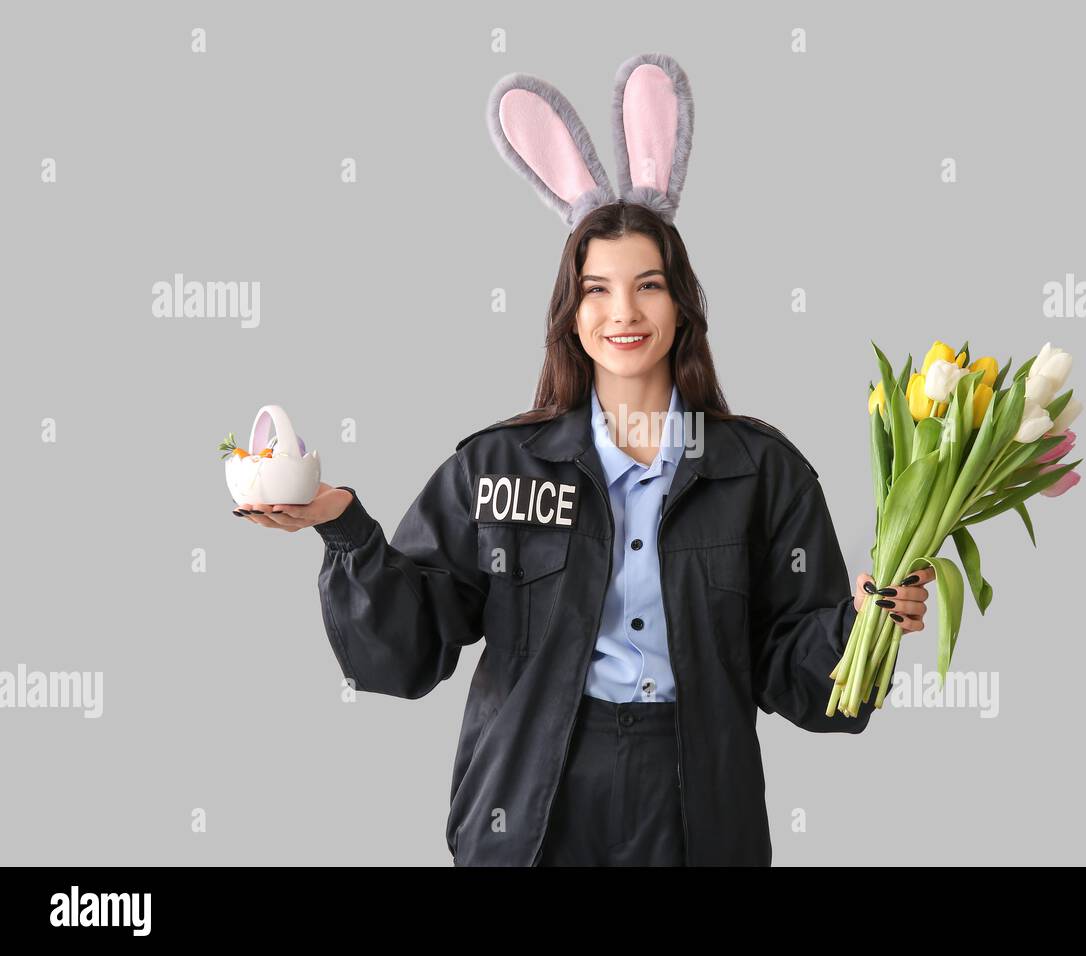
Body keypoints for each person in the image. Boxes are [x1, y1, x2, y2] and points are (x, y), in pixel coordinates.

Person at [232, 54, 933, 867]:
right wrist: (345, 529)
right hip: (532, 805)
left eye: (649, 286)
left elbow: (800, 679)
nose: (623, 312)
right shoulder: (498, 468)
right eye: (597, 289)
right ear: (571, 315)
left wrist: (868, 626)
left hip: (695, 809)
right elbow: (408, 652)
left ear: (683, 308)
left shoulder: (760, 472)